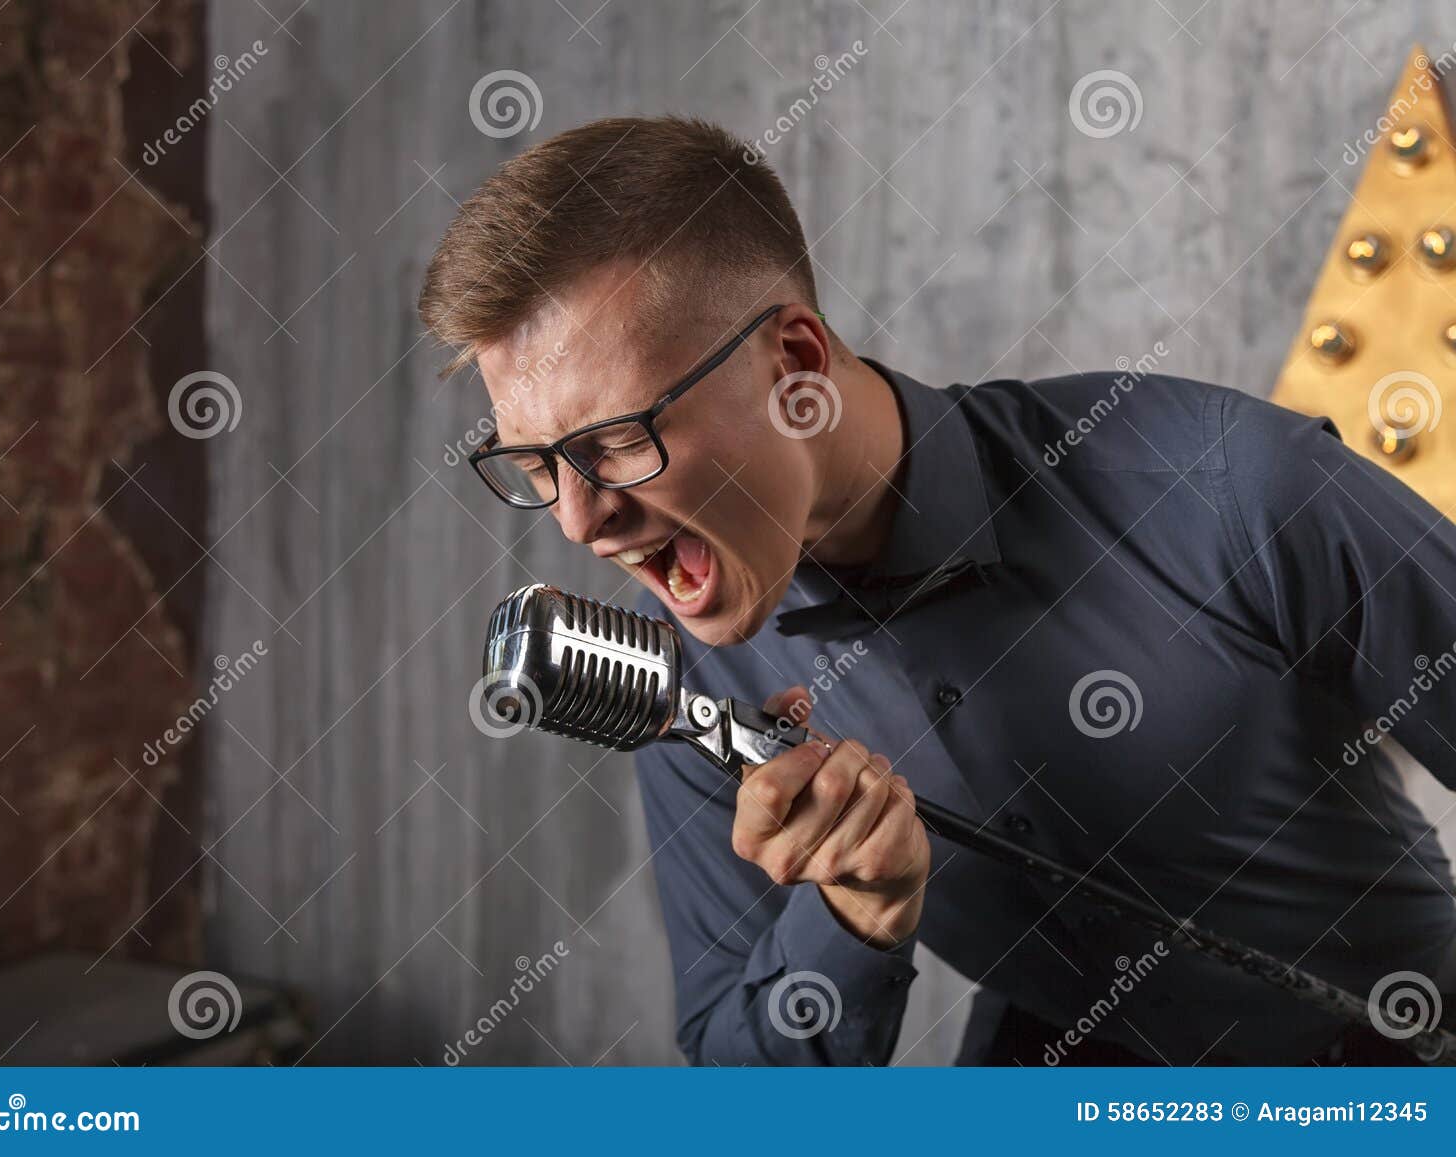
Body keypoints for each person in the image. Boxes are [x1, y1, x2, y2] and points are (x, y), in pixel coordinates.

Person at [418, 115, 1456, 1065]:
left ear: (792, 362)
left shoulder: (1227, 482)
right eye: (537, 465)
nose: (575, 520)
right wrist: (853, 914)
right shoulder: (687, 680)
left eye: (615, 442)